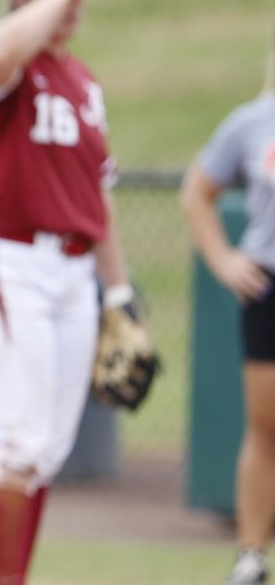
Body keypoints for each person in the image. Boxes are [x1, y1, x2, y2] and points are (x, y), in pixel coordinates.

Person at [0, 0, 135, 585]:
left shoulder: (81, 81)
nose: (74, 6)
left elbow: (96, 202)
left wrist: (119, 297)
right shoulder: (3, 63)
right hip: (7, 258)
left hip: (72, 271)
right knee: (14, 447)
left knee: (45, 452)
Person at [180, 34, 275, 585]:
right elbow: (197, 192)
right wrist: (223, 260)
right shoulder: (253, 121)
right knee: (266, 424)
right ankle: (252, 554)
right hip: (269, 287)